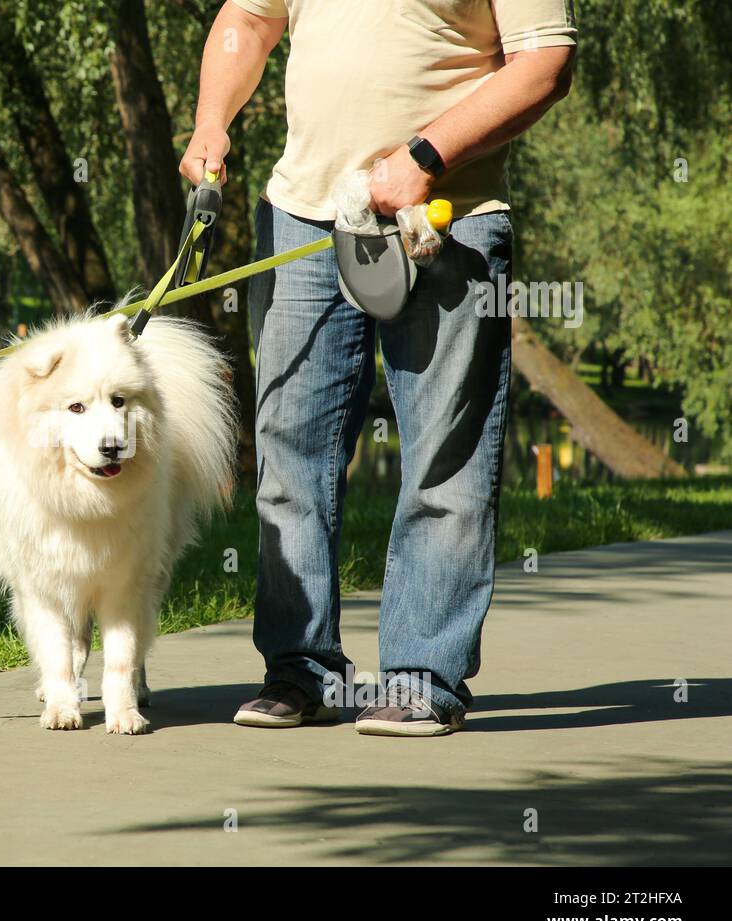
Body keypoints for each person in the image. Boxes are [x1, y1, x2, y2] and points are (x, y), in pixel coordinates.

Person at [178, 1, 576, 736]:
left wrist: (425, 156)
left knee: (444, 455)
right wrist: (211, 120)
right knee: (289, 448)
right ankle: (302, 670)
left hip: (448, 215)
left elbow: (546, 61)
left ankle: (423, 676)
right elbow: (250, 18)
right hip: (304, 215)